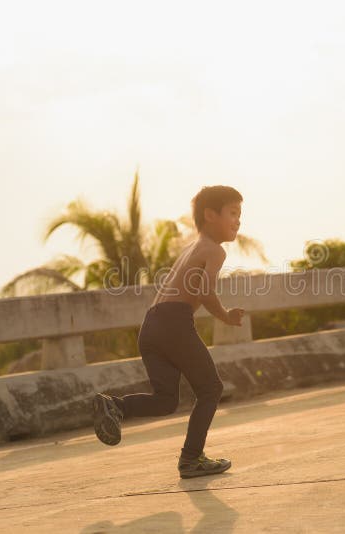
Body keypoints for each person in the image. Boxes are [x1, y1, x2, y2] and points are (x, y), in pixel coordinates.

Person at [91, 185, 245, 479]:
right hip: (174, 324)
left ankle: (115, 405)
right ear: (210, 215)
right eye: (233, 213)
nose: (238, 221)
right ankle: (191, 459)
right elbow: (203, 290)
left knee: (165, 400)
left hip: (151, 326)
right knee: (210, 388)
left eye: (240, 215)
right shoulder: (215, 250)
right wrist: (225, 316)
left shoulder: (193, 247)